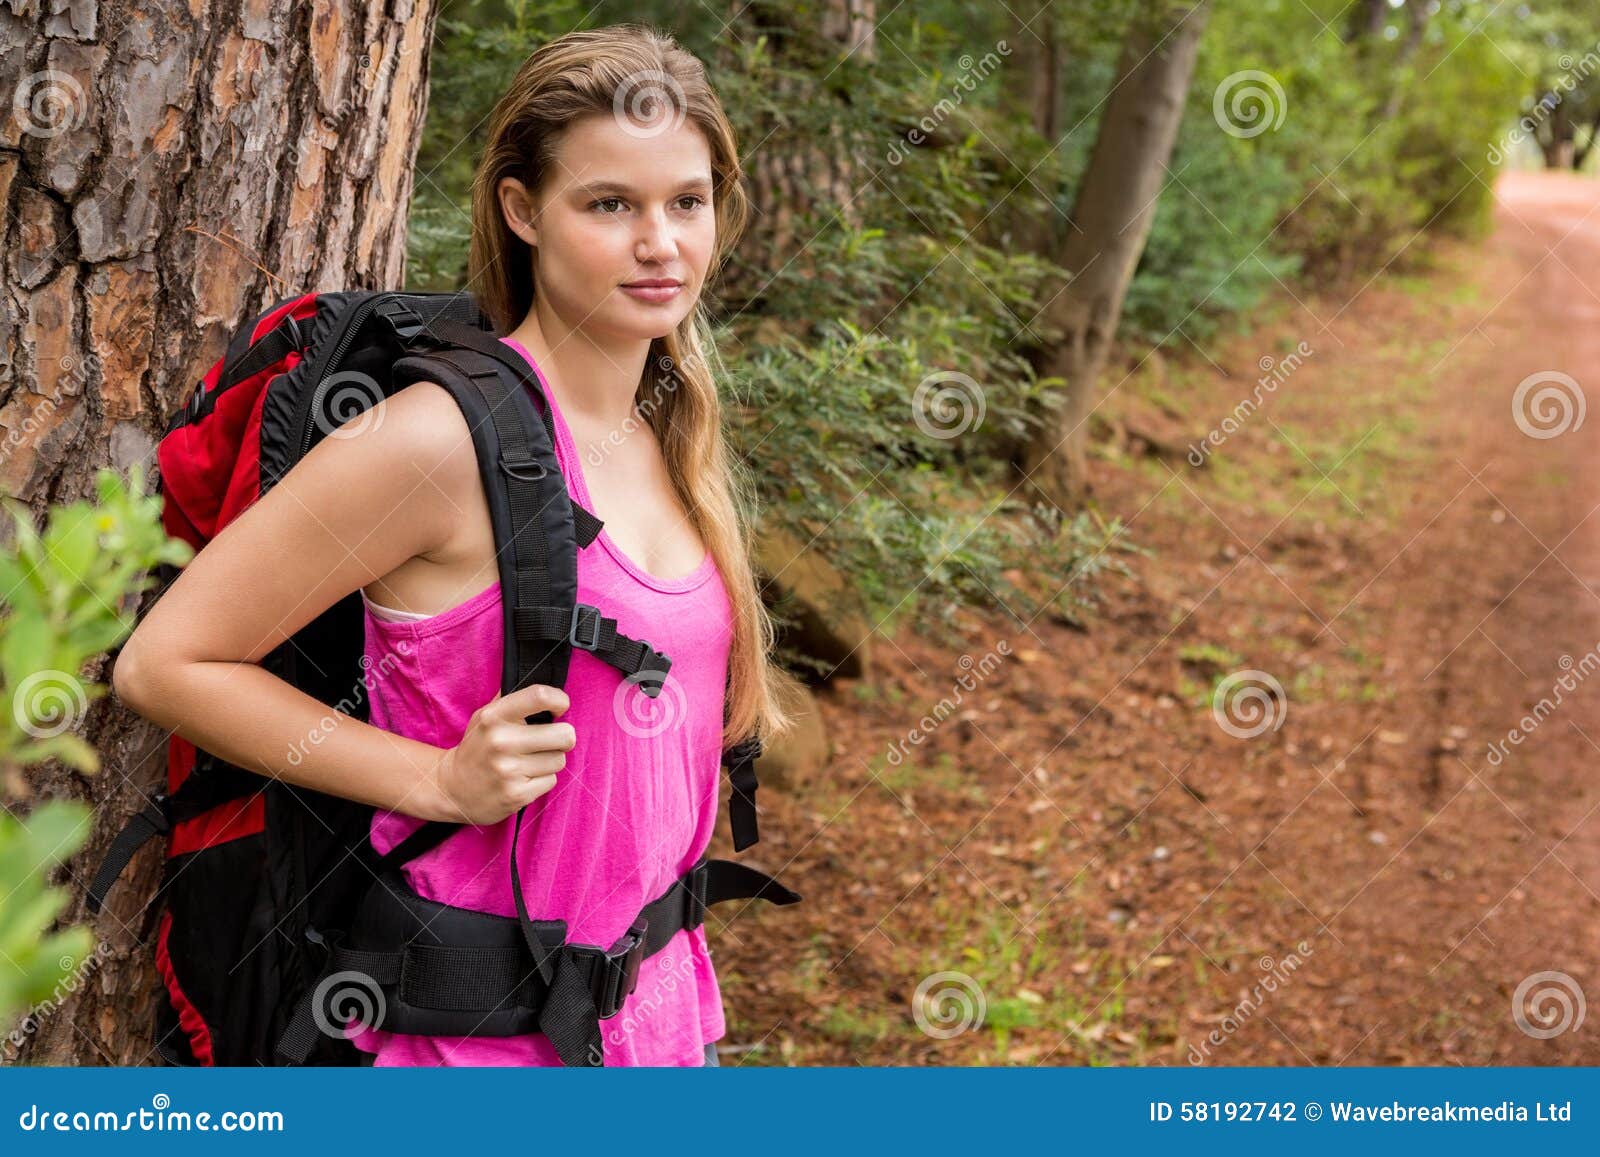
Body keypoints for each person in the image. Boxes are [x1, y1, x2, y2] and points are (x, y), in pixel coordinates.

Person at [112, 22, 793, 1068]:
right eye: (611, 204)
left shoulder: (670, 428)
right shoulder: (437, 443)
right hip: (472, 1053)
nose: (661, 242)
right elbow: (167, 663)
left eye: (686, 202)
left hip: (651, 1025)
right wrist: (436, 781)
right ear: (524, 211)